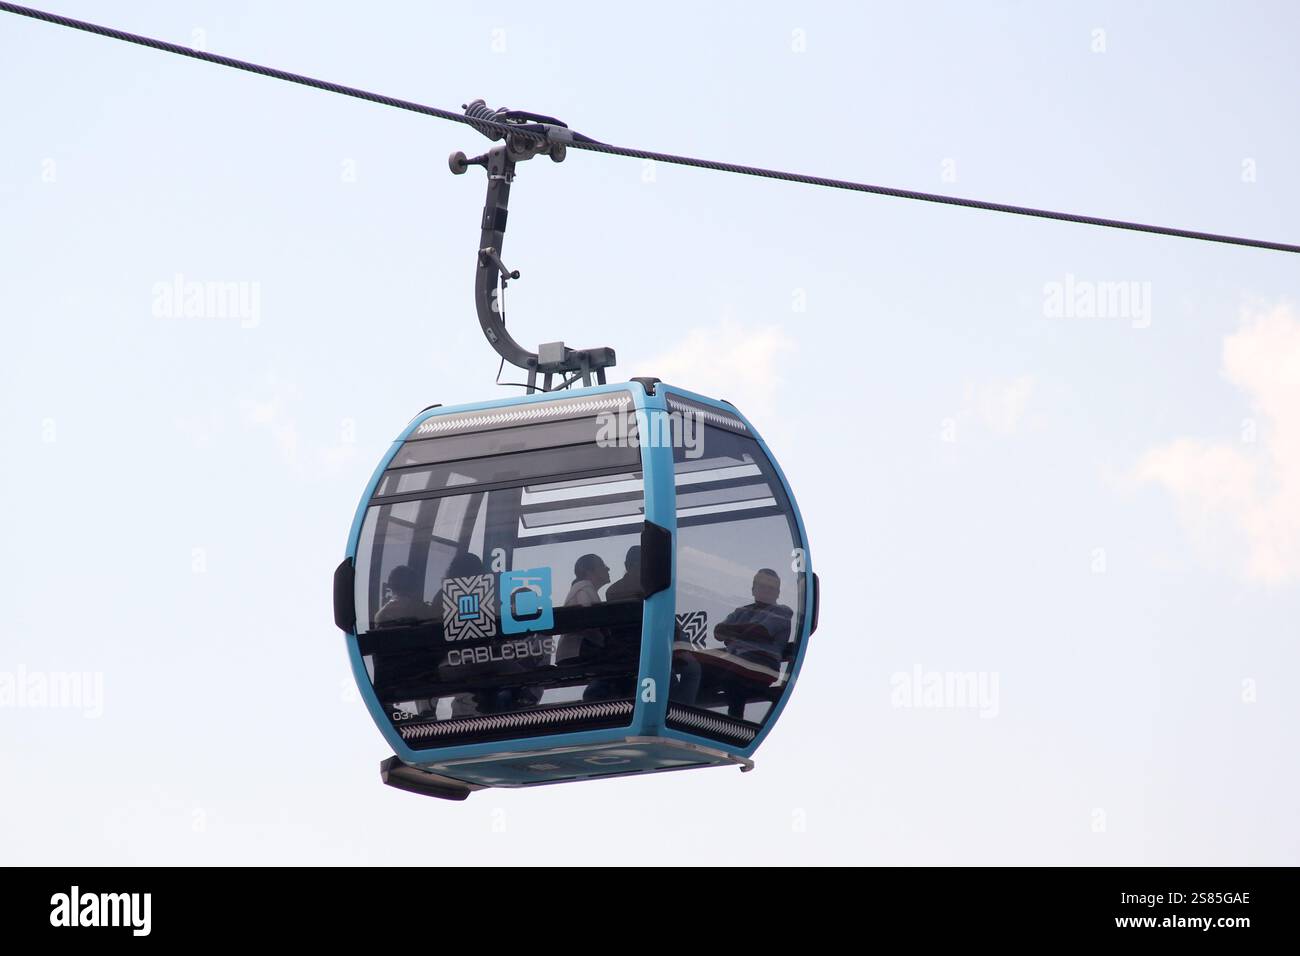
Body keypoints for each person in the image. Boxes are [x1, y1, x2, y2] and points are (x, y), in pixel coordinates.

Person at [711, 568, 793, 718]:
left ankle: (734, 722)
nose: (766, 590)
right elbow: (718, 632)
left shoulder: (782, 611)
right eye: (762, 586)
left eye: (771, 588)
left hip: (761, 665)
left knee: (731, 675)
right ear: (753, 589)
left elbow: (760, 631)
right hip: (735, 662)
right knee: (699, 670)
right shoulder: (741, 611)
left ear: (778, 593)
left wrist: (733, 633)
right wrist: (745, 632)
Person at [554, 554, 611, 665]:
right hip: (577, 651)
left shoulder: (581, 588)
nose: (608, 568)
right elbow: (590, 621)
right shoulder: (584, 588)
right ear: (588, 571)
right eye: (602, 565)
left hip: (572, 652)